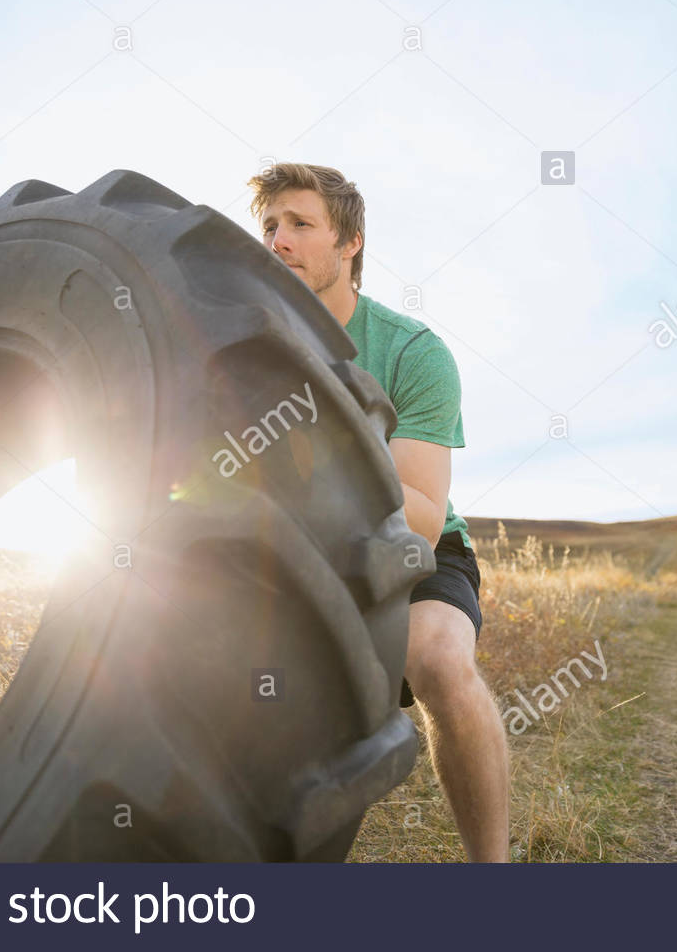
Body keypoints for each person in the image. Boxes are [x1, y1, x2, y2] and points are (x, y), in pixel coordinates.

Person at [246, 162, 510, 862]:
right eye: (269, 225)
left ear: (350, 243)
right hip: (291, 555)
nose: (278, 240)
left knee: (436, 658)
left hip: (417, 557)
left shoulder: (414, 353)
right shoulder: (246, 350)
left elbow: (420, 515)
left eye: (300, 224)